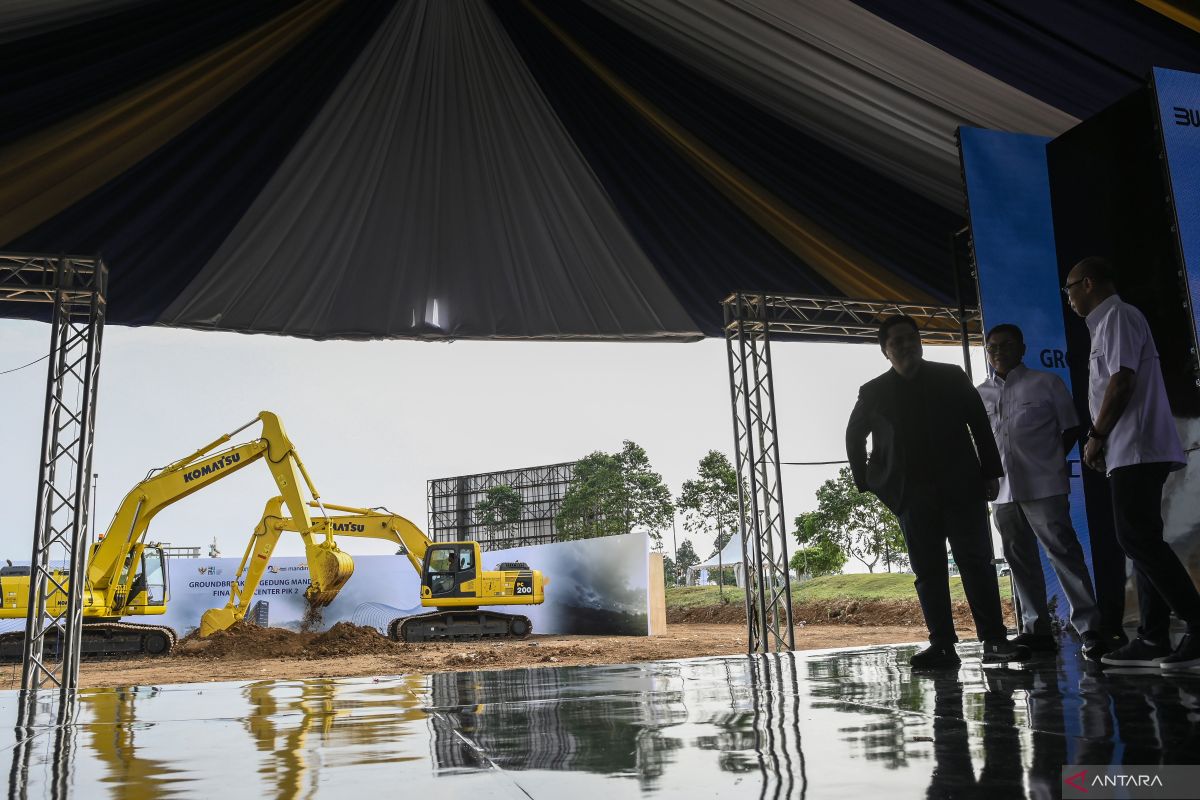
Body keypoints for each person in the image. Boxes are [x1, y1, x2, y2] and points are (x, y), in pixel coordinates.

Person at [846, 315, 1029, 669]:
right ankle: (942, 645)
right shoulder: (873, 392)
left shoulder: (951, 376)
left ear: (920, 342)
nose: (905, 345)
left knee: (976, 563)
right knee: (928, 571)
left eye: (910, 339)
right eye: (896, 341)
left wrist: (991, 472)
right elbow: (854, 436)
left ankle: (993, 640)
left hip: (963, 486)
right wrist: (866, 480)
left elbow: (979, 423)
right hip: (911, 495)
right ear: (885, 351)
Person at [1064, 256, 1200, 672]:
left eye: (1069, 288)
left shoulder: (1119, 316)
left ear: (1087, 283)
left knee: (1137, 539)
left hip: (1136, 446)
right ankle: (1153, 636)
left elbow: (1122, 381)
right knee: (1140, 539)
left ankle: (1196, 625)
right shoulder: (1106, 323)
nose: (1068, 297)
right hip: (1128, 448)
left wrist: (1096, 435)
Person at [976, 323, 1106, 659]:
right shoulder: (980, 395)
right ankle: (1036, 632)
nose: (999, 352)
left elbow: (1072, 426)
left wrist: (1050, 460)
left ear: (1022, 348)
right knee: (1019, 561)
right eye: (992, 347)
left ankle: (1090, 627)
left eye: (1006, 345)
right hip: (1002, 491)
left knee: (1062, 553)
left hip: (1044, 484)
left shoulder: (1046, 383)